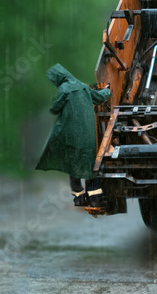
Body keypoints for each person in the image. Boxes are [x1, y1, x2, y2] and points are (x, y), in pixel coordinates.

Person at [35, 64, 111, 203]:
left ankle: (79, 197)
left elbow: (56, 106)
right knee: (89, 163)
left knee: (73, 164)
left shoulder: (64, 89)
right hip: (88, 134)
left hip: (71, 135)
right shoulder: (83, 86)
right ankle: (95, 197)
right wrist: (107, 91)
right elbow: (99, 97)